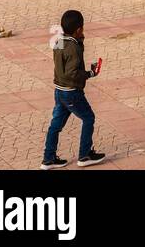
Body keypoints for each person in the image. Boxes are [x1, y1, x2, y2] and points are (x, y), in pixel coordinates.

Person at [41, 9, 105, 168]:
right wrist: (90, 73)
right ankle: (84, 155)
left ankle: (48, 159)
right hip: (72, 92)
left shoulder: (60, 41)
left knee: (55, 125)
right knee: (88, 118)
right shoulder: (74, 48)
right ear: (78, 29)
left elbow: (65, 58)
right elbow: (73, 73)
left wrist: (80, 41)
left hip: (59, 90)